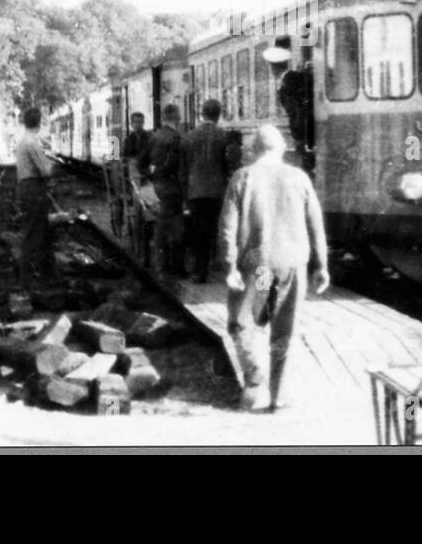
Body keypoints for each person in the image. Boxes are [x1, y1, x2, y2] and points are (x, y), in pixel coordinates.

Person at [219, 124, 329, 413]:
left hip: (256, 266)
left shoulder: (242, 177)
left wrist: (229, 265)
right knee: (284, 330)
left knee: (241, 323)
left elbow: (228, 228)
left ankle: (254, 383)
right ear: (281, 149)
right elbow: (316, 225)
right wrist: (322, 266)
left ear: (253, 150)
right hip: (291, 264)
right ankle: (279, 396)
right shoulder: (299, 177)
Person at [179, 99, 237, 283]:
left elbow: (183, 170)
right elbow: (230, 164)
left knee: (198, 231)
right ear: (218, 115)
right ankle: (216, 265)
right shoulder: (224, 136)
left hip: (195, 192)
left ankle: (200, 271)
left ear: (201, 114)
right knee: (215, 228)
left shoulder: (188, 137)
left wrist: (184, 194)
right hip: (217, 191)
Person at [139, 103, 186, 277]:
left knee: (161, 225)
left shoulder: (153, 136)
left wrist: (150, 175)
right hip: (172, 187)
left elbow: (140, 162)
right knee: (175, 228)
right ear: (177, 117)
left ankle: (162, 267)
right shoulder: (176, 138)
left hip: (157, 186)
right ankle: (173, 268)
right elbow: (174, 163)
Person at [15, 107, 58, 286]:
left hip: (27, 187)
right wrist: (53, 160)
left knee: (41, 231)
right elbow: (46, 171)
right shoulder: (32, 142)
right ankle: (26, 279)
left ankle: (45, 273)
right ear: (39, 123)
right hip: (34, 189)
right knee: (34, 232)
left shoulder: (23, 140)